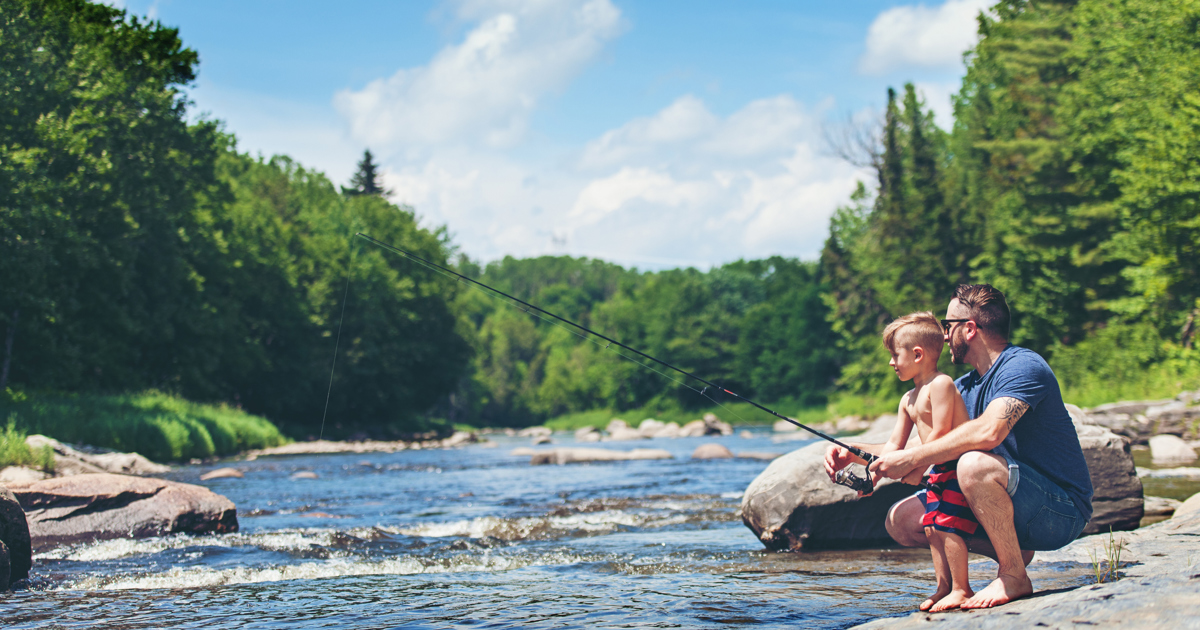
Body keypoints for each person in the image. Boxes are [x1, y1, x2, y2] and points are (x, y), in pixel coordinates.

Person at [824, 284, 1093, 609]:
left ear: (970, 328)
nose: (944, 334)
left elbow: (989, 431)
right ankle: (1010, 551)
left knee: (973, 465)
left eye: (948, 326)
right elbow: (920, 445)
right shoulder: (963, 386)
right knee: (902, 519)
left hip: (1058, 510)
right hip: (1011, 501)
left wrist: (915, 460)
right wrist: (853, 452)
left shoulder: (1022, 366)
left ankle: (1013, 575)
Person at [875, 312, 977, 612]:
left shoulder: (942, 384)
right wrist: (875, 474)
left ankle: (962, 589)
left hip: (956, 468)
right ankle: (944, 587)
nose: (891, 362)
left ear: (917, 354)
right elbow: (895, 445)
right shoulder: (907, 399)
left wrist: (916, 467)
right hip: (935, 470)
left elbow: (943, 432)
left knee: (948, 526)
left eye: (895, 355)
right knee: (932, 527)